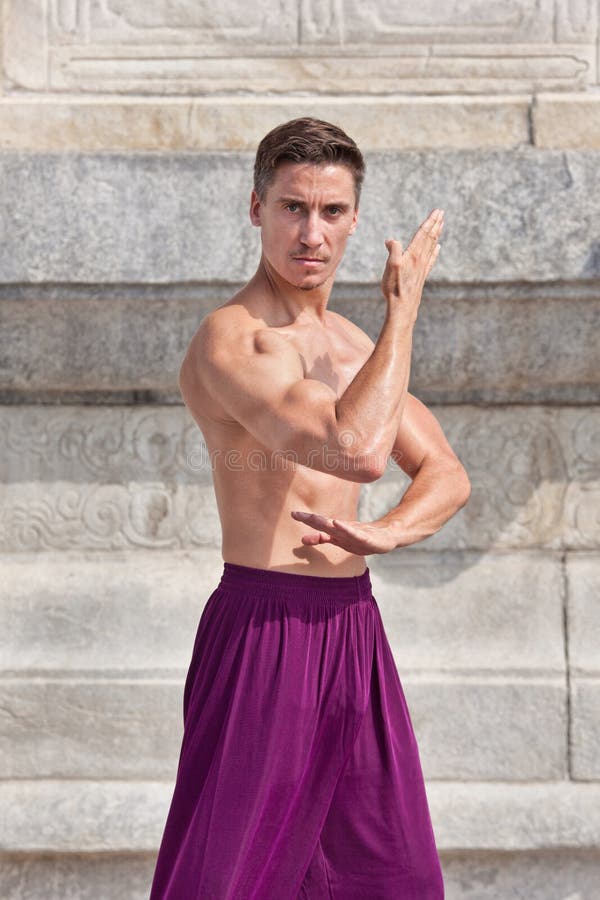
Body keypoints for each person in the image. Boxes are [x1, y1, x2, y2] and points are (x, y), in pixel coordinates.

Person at [149, 117, 470, 899]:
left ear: (355, 220)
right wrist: (404, 317)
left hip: (354, 627)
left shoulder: (356, 348)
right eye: (293, 207)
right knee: (228, 879)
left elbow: (445, 472)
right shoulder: (234, 341)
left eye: (331, 212)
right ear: (256, 208)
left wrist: (388, 530)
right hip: (265, 628)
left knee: (393, 876)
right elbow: (353, 450)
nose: (312, 233)